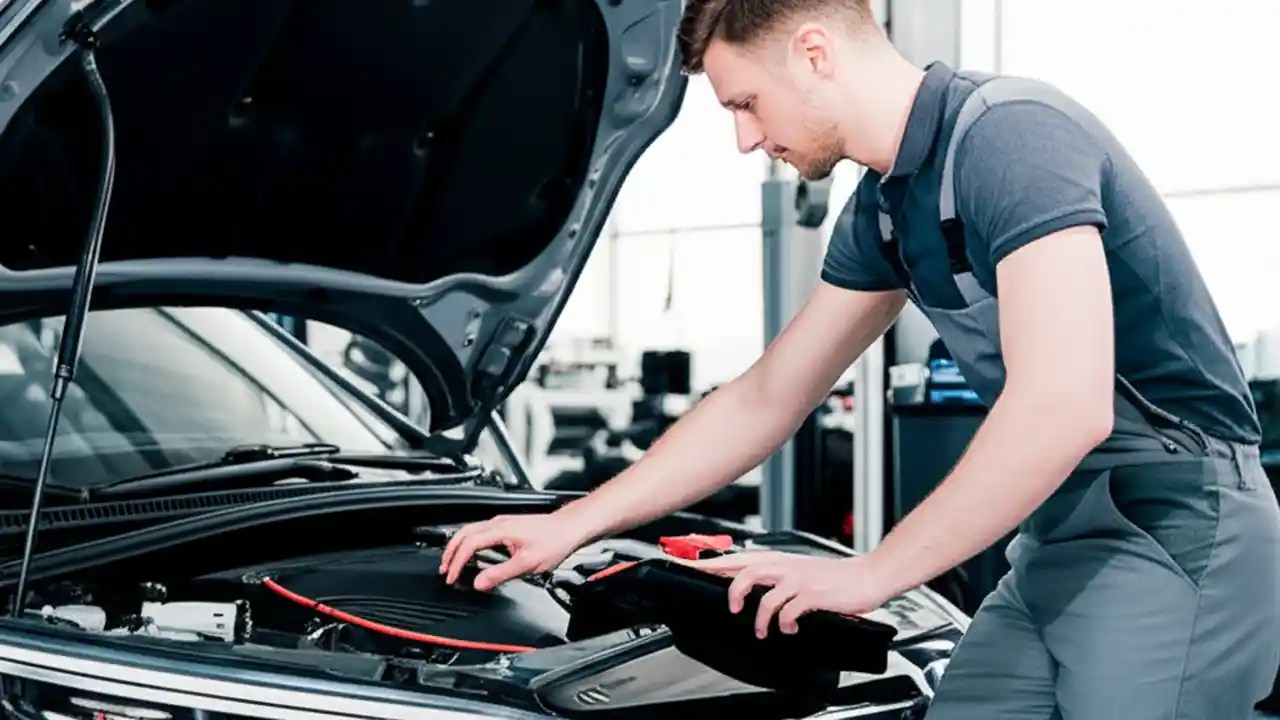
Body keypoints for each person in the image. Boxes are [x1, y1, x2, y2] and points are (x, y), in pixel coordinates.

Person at [441, 0, 1280, 716]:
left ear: (813, 52)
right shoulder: (885, 208)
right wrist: (570, 525)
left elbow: (1064, 403)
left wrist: (870, 574)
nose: (743, 139)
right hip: (1060, 529)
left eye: (747, 104)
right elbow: (767, 396)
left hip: (1178, 521)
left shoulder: (1010, 138)